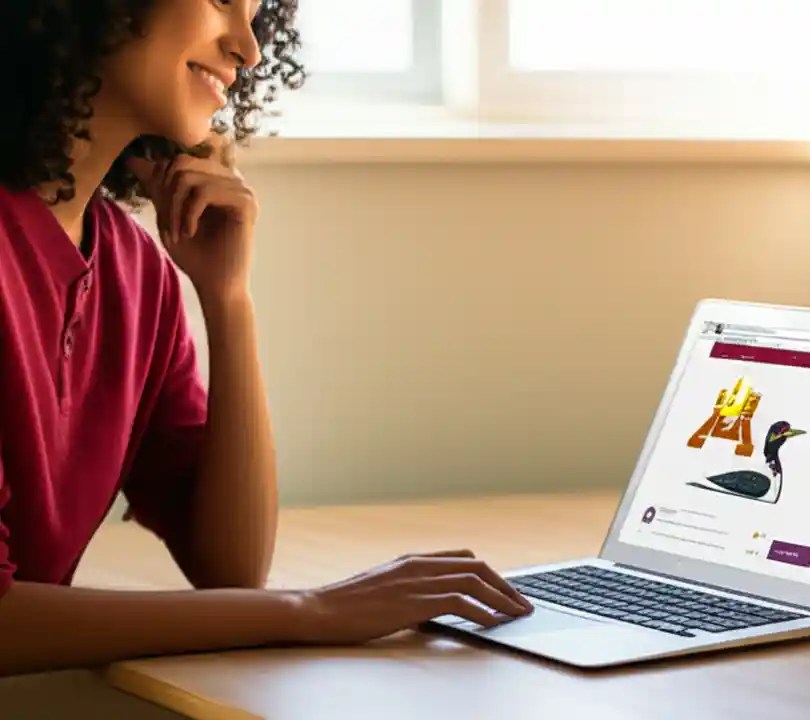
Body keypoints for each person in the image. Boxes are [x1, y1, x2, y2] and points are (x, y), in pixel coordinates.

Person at [0, 0, 531, 677]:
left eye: (257, 13)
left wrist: (228, 300)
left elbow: (230, 564)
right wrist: (310, 611)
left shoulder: (134, 272)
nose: (248, 50)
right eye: (224, 1)